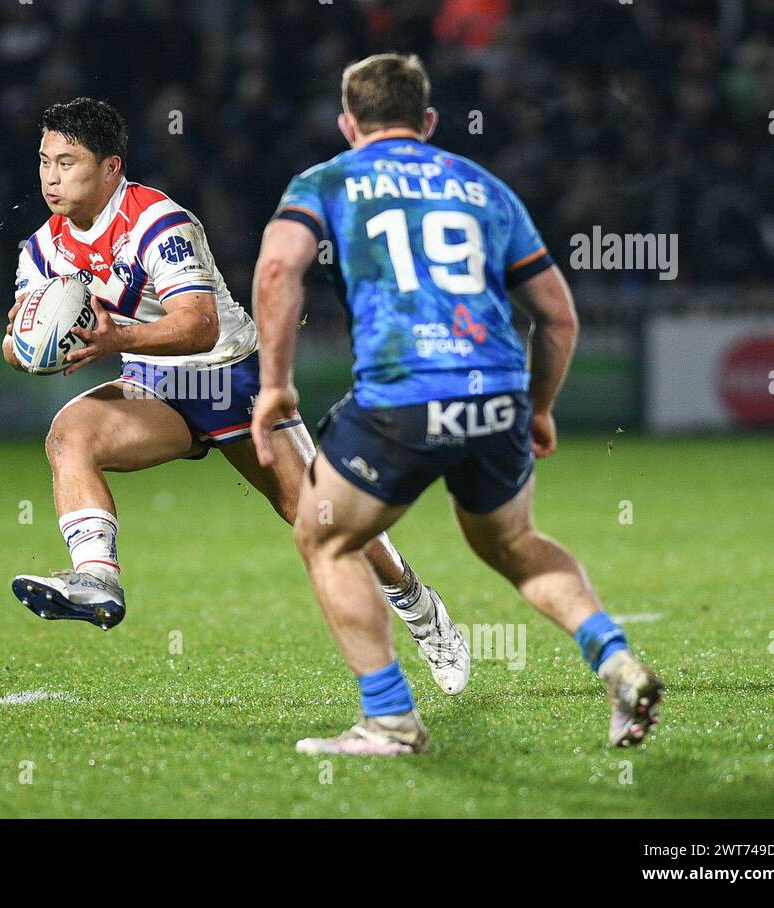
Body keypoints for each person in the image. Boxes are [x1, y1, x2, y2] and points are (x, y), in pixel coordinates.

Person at [249, 54, 662, 755]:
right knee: (513, 543)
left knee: (326, 537)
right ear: (429, 121)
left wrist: (277, 386)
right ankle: (615, 658)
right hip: (495, 397)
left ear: (349, 124)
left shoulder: (329, 179)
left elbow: (280, 266)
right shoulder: (484, 187)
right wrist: (536, 407)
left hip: (402, 398)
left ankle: (390, 720)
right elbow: (558, 318)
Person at [2, 97, 470, 694]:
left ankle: (418, 607)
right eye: (45, 161)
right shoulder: (43, 248)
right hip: (155, 383)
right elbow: (14, 346)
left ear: (111, 167)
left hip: (228, 375)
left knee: (322, 523)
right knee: (70, 434)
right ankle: (97, 577)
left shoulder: (160, 223)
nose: (51, 176)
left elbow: (197, 325)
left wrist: (115, 336)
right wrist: (30, 346)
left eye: (68, 162)